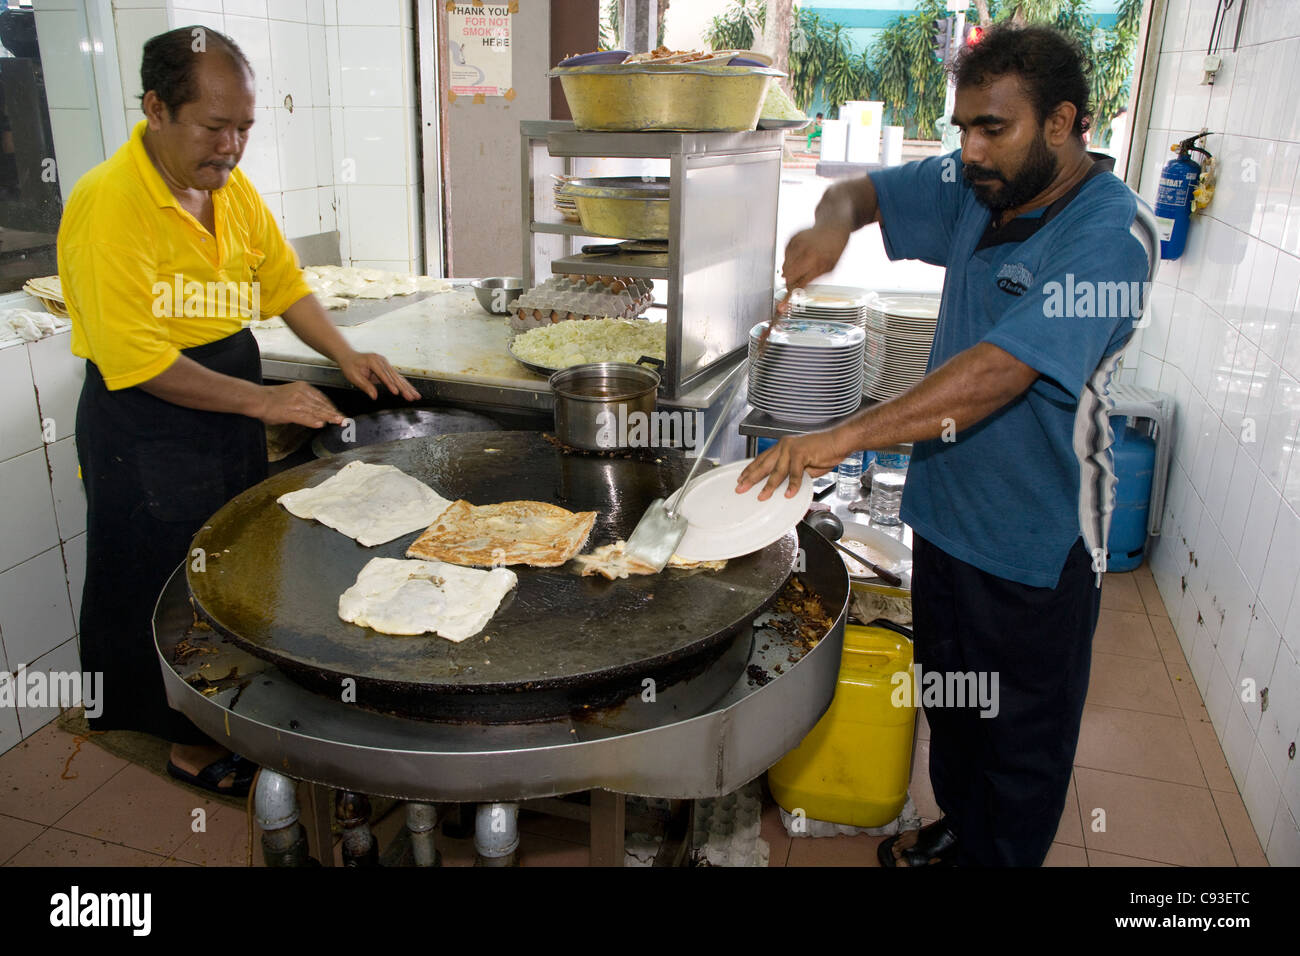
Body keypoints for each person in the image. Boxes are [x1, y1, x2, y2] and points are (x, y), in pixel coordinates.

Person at [738, 24, 1156, 866]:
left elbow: (1001, 371)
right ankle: (960, 828)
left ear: (1063, 122)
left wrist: (841, 438)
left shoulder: (1110, 237)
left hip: (1036, 543)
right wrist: (831, 228)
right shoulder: (979, 184)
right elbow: (860, 193)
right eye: (962, 127)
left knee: (1020, 744)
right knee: (955, 706)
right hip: (949, 515)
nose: (968, 149)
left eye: (990, 128)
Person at [58, 27, 420, 796]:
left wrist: (344, 353)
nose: (230, 146)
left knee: (222, 565)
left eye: (244, 129)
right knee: (158, 581)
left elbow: (282, 281)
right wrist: (266, 399)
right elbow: (141, 361)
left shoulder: (226, 187)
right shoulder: (108, 204)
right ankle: (182, 740)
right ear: (156, 109)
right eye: (213, 127)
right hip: (145, 417)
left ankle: (226, 708)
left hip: (220, 394)